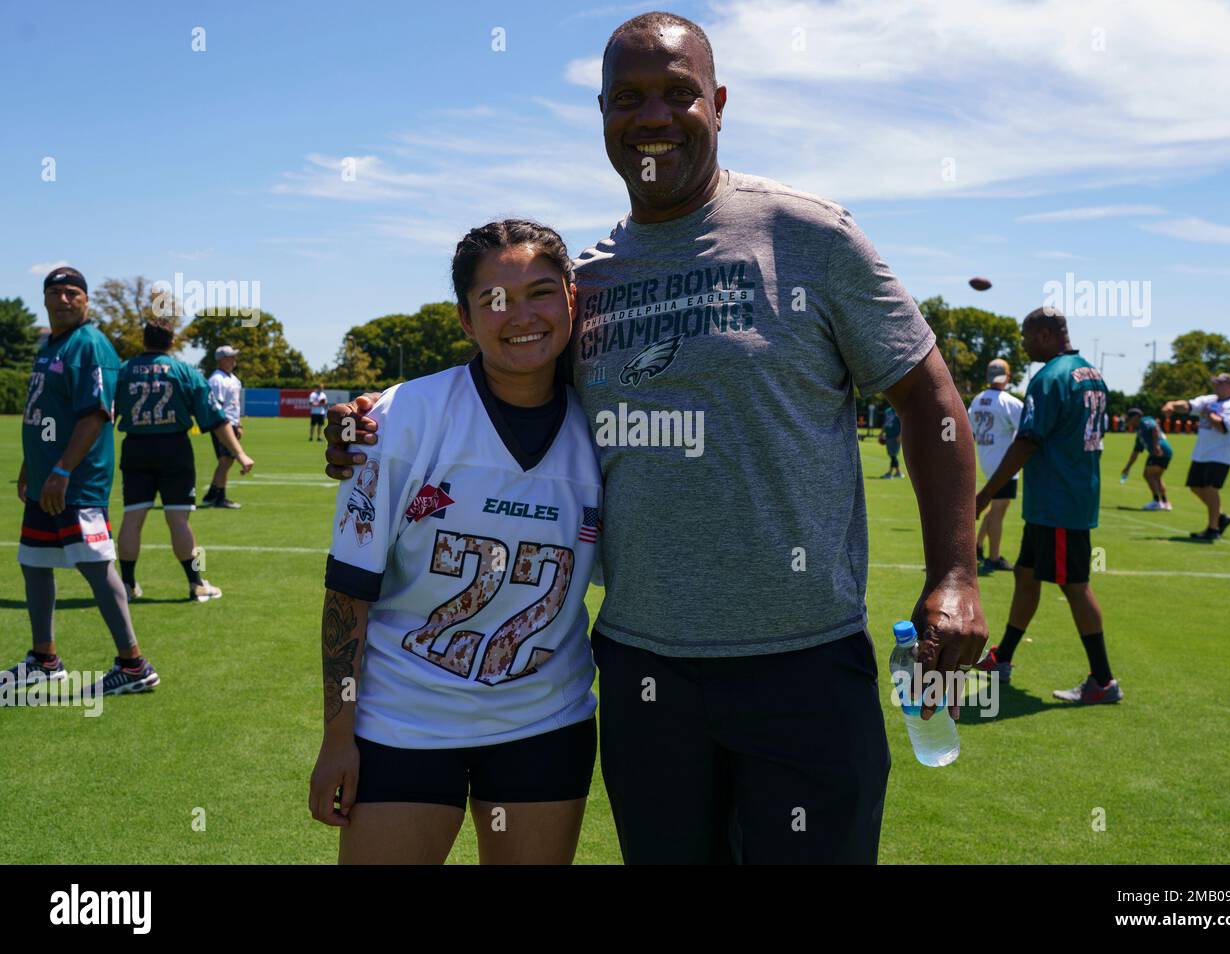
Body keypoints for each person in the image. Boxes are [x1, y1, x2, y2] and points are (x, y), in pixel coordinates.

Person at [323, 12, 987, 864]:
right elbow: (508, 370)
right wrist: (367, 417)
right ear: (601, 112)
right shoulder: (586, 283)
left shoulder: (809, 235)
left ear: (718, 102)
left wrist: (957, 575)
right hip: (644, 675)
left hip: (805, 661)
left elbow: (929, 399)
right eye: (629, 98)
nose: (653, 117)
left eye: (678, 94)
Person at [309, 221, 602, 865]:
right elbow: (347, 597)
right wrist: (338, 738)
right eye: (494, 299)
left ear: (572, 302)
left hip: (544, 721)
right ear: (466, 320)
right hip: (404, 719)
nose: (519, 315)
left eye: (541, 292)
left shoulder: (607, 427)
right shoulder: (397, 419)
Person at [5, 267, 160, 696]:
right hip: (46, 481)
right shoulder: (50, 344)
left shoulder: (89, 344)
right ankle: (44, 659)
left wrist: (62, 470)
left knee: (95, 565)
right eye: (55, 292)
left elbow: (94, 415)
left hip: (76, 483)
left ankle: (133, 665)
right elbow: (46, 411)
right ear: (45, 299)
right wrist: (31, 466)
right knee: (33, 564)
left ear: (86, 301)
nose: (64, 299)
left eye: (73, 292)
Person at [975, 307, 1121, 704]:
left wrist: (986, 494)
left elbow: (1027, 441)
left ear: (1044, 334)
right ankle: (1002, 657)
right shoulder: (1090, 372)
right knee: (1025, 573)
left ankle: (1103, 680)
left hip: (1058, 500)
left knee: (1075, 586)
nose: (1021, 343)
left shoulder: (1049, 378)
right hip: (1066, 495)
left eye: (1025, 335)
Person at [114, 318, 255, 602]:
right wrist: (239, 452)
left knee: (132, 518)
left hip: (136, 447)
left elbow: (105, 415)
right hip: (173, 449)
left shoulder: (124, 371)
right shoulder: (183, 371)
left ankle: (126, 586)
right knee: (178, 519)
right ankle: (196, 584)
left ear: (144, 340)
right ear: (172, 341)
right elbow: (215, 418)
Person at [1161, 374, 1230, 541]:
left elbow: (1223, 427)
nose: (1216, 386)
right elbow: (1188, 405)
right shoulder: (1209, 399)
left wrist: (1208, 413)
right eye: (1215, 383)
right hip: (1201, 453)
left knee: (1210, 488)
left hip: (1220, 454)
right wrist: (1171, 404)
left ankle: (1213, 529)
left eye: (1220, 384)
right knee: (1195, 486)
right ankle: (1220, 517)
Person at [968, 358, 1024, 571]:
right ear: (1007, 377)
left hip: (986, 458)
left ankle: (977, 545)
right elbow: (1028, 428)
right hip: (1004, 463)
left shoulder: (978, 399)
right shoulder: (1009, 402)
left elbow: (969, 427)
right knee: (1000, 509)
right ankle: (994, 556)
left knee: (994, 506)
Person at [201, 345, 244, 509]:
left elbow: (235, 405)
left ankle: (213, 494)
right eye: (231, 357)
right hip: (223, 424)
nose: (234, 360)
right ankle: (219, 496)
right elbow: (216, 406)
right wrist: (226, 426)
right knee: (225, 460)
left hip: (232, 424)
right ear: (221, 360)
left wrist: (238, 424)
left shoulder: (234, 379)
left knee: (227, 461)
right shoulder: (216, 380)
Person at [1120, 407, 1173, 511]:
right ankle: (1165, 502)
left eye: (1130, 419)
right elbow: (1135, 453)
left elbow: (1155, 428)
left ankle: (1157, 501)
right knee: (1156, 477)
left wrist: (1156, 446)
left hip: (1160, 451)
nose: (1128, 422)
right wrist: (1127, 467)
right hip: (1165, 452)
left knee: (1148, 474)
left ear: (1136, 417)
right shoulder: (1140, 433)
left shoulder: (1145, 421)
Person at [877, 405, 903, 478]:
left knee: (893, 455)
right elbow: (885, 423)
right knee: (892, 455)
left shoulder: (899, 409)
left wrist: (901, 435)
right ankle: (898, 472)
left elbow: (902, 423)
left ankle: (890, 473)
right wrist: (881, 433)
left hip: (895, 436)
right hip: (888, 435)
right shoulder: (888, 411)